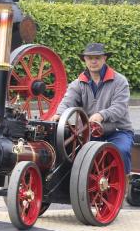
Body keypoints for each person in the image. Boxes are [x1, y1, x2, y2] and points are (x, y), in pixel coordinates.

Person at [51, 42, 134, 174]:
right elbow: (67, 101)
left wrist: (101, 115)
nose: (93, 61)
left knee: (121, 151)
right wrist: (59, 115)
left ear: (104, 59)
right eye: (89, 58)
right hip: (89, 132)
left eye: (97, 58)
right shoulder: (78, 83)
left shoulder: (120, 81)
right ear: (84, 60)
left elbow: (119, 108)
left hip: (118, 132)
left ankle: (124, 184)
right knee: (75, 154)